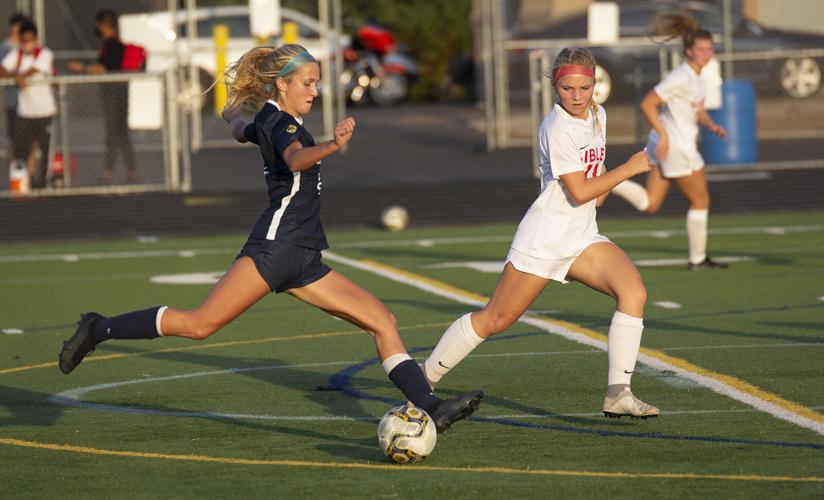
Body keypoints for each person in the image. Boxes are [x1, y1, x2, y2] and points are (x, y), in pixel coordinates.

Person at [59, 44, 483, 434]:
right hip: (275, 247)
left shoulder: (270, 118)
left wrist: (234, 118)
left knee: (382, 321)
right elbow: (295, 158)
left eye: (316, 83)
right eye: (307, 83)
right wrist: (333, 145)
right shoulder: (282, 124)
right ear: (282, 84)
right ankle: (98, 328)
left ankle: (431, 406)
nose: (314, 91)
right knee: (200, 324)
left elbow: (242, 129)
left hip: (303, 257)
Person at [420, 48, 660, 419]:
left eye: (584, 87)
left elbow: (592, 187)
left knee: (633, 292)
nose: (577, 96)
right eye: (568, 88)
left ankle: (618, 394)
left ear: (596, 83)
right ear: (554, 86)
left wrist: (610, 183)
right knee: (495, 319)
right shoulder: (556, 126)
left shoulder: (599, 113)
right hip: (546, 237)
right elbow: (579, 191)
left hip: (580, 235)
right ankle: (421, 384)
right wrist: (629, 169)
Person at [611, 13, 729, 271]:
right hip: (676, 147)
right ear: (689, 51)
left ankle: (609, 182)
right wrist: (664, 135)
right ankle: (697, 259)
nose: (707, 53)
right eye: (701, 49)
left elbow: (696, 108)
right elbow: (648, 103)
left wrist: (711, 125)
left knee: (650, 204)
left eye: (710, 48)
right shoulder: (681, 76)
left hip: (668, 145)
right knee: (701, 201)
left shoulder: (698, 76)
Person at [67, 8, 137, 184]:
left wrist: (82, 68)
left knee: (115, 132)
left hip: (115, 93)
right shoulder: (108, 44)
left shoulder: (113, 45)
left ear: (105, 24)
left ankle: (111, 170)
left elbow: (105, 69)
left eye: (99, 25)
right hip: (112, 92)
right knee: (118, 132)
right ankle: (130, 169)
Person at [0, 19, 56, 188]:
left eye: (30, 40)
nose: (27, 44)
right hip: (25, 112)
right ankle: (22, 182)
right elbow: (2, 70)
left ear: (36, 38)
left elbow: (35, 69)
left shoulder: (44, 53)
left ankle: (43, 183)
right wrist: (15, 77)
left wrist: (20, 76)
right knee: (21, 149)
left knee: (44, 149)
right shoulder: (16, 54)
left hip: (44, 111)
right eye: (24, 40)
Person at [0, 13, 27, 166]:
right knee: (15, 141)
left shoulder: (28, 47)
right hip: (12, 101)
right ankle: (15, 172)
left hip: (29, 102)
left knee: (30, 140)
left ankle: (28, 176)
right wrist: (16, 75)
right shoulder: (4, 48)